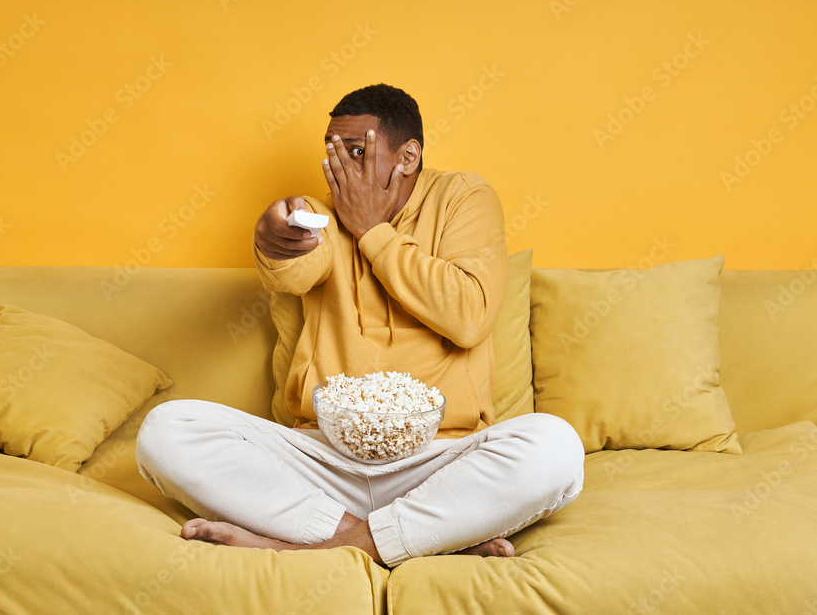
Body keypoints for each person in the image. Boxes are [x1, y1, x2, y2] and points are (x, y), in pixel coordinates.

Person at [136, 84, 584, 567]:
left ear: (408, 156)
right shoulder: (321, 213)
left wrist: (373, 231)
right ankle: (422, 536)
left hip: (439, 461)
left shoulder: (463, 197)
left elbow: (470, 316)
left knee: (554, 447)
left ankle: (304, 544)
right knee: (166, 431)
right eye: (332, 155)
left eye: (356, 153)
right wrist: (275, 240)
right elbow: (294, 269)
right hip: (322, 459)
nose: (341, 172)